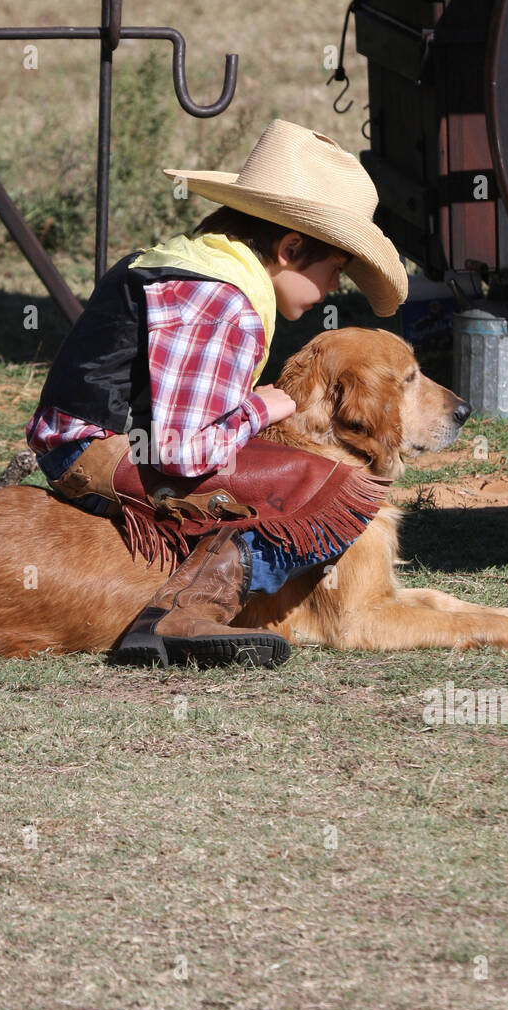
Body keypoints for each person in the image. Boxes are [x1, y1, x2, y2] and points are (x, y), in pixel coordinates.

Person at [26, 119, 408, 668]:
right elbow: (185, 452)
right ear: (292, 246)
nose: (331, 289)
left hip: (90, 436)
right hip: (99, 453)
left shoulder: (193, 264)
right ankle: (182, 613)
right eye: (334, 270)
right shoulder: (224, 303)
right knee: (334, 494)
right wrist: (262, 407)